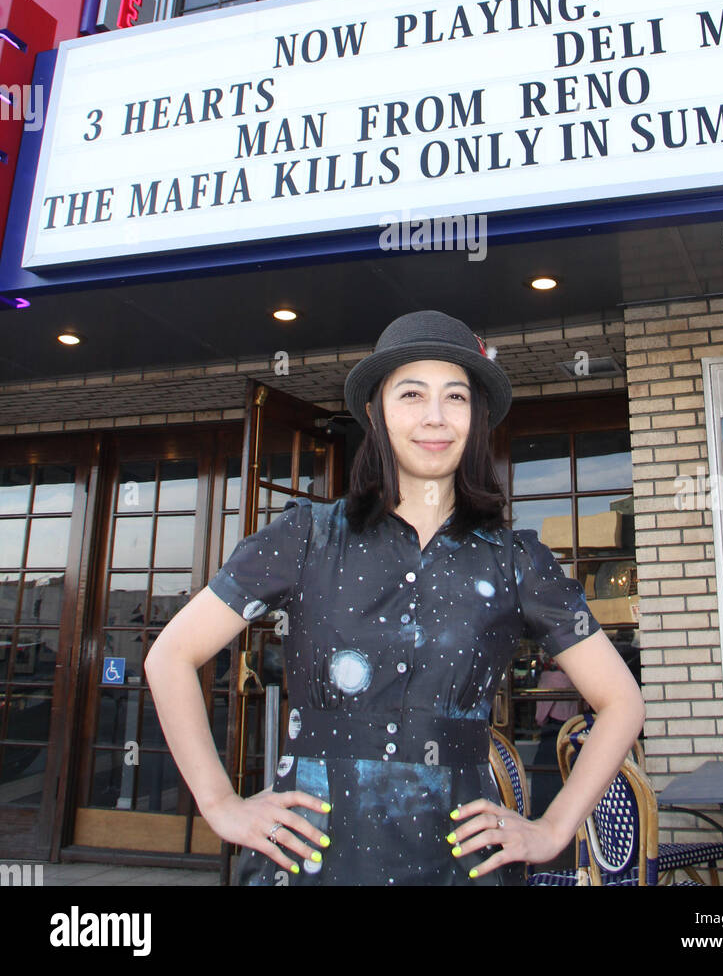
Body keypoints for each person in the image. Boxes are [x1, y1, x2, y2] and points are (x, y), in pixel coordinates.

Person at [144, 310, 645, 885]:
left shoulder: (516, 561)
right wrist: (220, 804)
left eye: (455, 396)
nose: (435, 416)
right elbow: (170, 657)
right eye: (412, 393)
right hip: (311, 861)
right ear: (377, 415)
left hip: (461, 865)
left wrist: (554, 828)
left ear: (476, 418)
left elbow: (621, 703)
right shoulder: (305, 537)